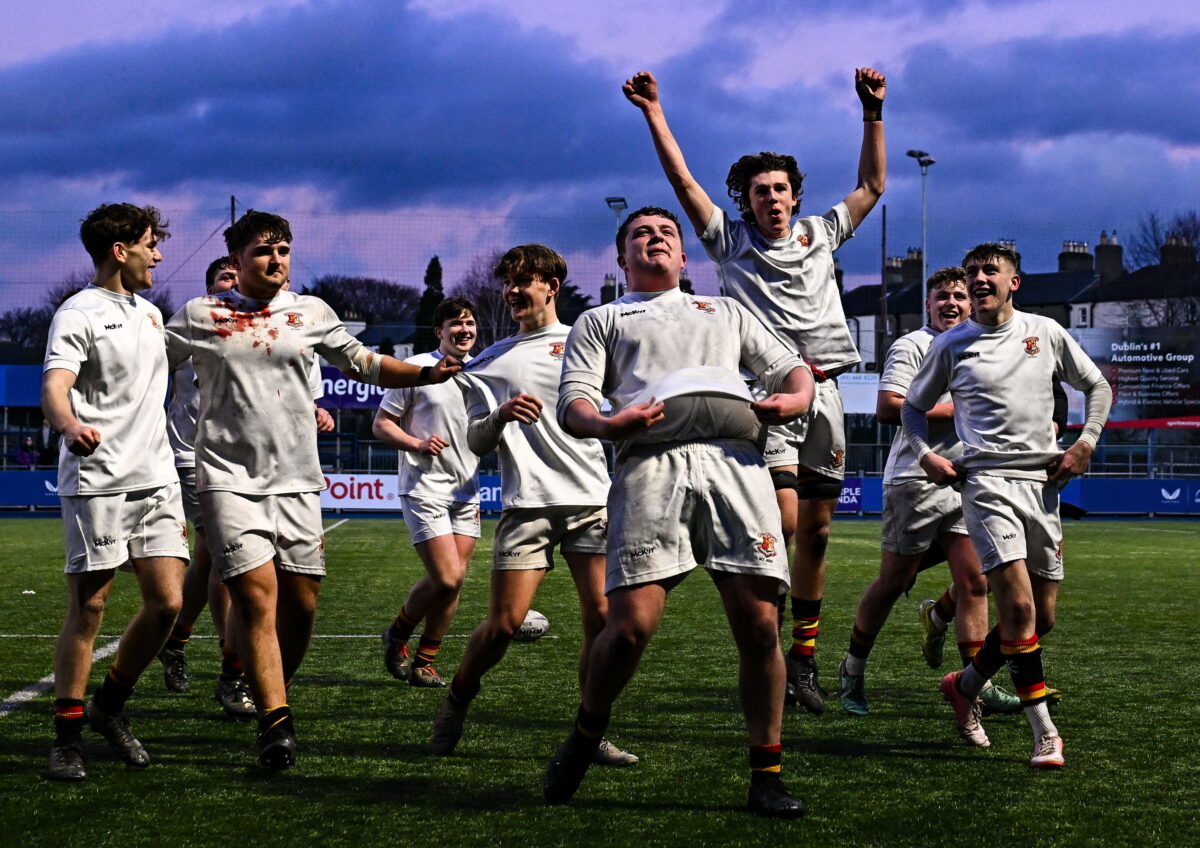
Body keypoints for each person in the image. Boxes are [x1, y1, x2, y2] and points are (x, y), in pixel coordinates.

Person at [623, 67, 886, 713]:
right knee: (788, 520)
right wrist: (655, 110)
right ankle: (764, 635)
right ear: (743, 201)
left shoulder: (823, 232)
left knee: (818, 535)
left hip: (823, 392)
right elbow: (683, 183)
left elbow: (875, 184)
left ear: (795, 195)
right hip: (763, 397)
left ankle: (802, 660)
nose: (770, 198)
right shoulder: (729, 240)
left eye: (779, 189)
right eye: (758, 191)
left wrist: (873, 111)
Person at [542, 207, 815, 818]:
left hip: (737, 463)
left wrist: (793, 398)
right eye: (640, 233)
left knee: (761, 627)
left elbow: (794, 372)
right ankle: (587, 732)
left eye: (667, 233)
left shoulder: (724, 311)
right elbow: (575, 404)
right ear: (622, 259)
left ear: (686, 258)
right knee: (632, 627)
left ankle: (765, 775)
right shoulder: (603, 318)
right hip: (649, 464)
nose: (656, 238)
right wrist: (610, 422)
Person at [165, 210, 460, 770]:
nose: (275, 260)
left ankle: (269, 688)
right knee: (255, 597)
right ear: (237, 260)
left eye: (282, 250)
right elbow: (146, 363)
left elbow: (366, 363)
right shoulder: (203, 315)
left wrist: (425, 373)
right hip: (226, 480)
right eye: (262, 251)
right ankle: (276, 724)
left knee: (301, 605)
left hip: (297, 481)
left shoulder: (311, 313)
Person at [902, 243, 1111, 767]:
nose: (978, 278)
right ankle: (1045, 733)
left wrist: (1085, 443)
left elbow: (1098, 386)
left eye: (989, 271)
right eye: (971, 271)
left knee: (1043, 619)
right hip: (986, 483)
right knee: (1017, 609)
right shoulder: (951, 345)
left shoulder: (1045, 332)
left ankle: (964, 685)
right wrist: (925, 454)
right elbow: (912, 407)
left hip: (1043, 485)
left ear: (1013, 282)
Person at [429, 244, 635, 768]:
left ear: (552, 286)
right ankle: (456, 701)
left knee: (604, 619)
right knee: (504, 623)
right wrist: (499, 416)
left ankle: (591, 732)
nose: (513, 290)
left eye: (524, 280)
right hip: (529, 506)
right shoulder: (489, 360)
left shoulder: (587, 342)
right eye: (508, 282)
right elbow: (475, 441)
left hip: (591, 500)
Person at [42, 203, 190, 781]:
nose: (158, 254)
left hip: (157, 479)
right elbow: (56, 383)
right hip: (98, 480)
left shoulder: (153, 316)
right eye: (150, 244)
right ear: (119, 250)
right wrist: (68, 424)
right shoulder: (77, 312)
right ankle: (67, 738)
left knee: (169, 603)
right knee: (91, 607)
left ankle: (109, 706)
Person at [836, 268, 1019, 719]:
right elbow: (888, 407)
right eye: (942, 297)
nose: (952, 303)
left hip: (967, 479)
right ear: (928, 305)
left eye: (959, 295)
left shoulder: (983, 345)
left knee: (975, 580)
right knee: (893, 582)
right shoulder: (913, 345)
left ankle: (977, 684)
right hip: (916, 479)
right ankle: (852, 668)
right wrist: (956, 410)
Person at [156, 261, 333, 717]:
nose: (235, 286)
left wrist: (315, 413)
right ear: (212, 287)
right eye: (226, 280)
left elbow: (297, 394)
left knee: (220, 560)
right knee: (223, 562)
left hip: (266, 470)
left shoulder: (279, 332)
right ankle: (231, 666)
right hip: (200, 460)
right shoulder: (197, 323)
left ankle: (180, 641)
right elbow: (145, 371)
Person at [375, 296, 481, 688]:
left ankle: (424, 663)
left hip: (466, 490)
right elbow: (381, 424)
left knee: (454, 579)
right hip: (423, 488)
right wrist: (416, 444)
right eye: (455, 323)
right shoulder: (419, 368)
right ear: (439, 332)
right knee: (448, 578)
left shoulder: (483, 372)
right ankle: (398, 633)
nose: (464, 330)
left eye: (469, 323)